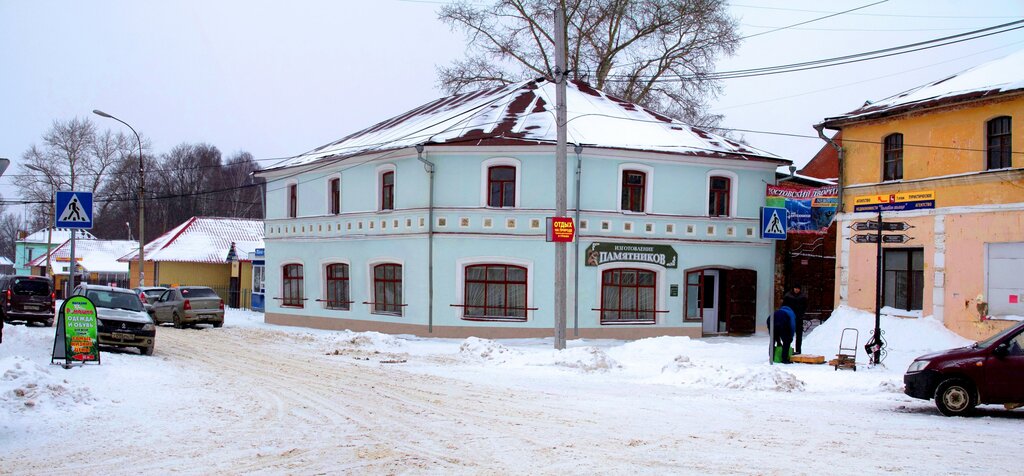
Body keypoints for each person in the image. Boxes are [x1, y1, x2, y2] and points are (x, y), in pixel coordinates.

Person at [783, 284, 808, 354]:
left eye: (798, 288)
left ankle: (798, 351)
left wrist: (801, 314)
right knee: (788, 335)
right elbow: (784, 306)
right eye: (795, 288)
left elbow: (805, 306)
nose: (796, 290)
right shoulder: (788, 296)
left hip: (799, 318)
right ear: (793, 288)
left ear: (800, 289)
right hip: (789, 318)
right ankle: (787, 350)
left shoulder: (803, 297)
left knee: (799, 335)